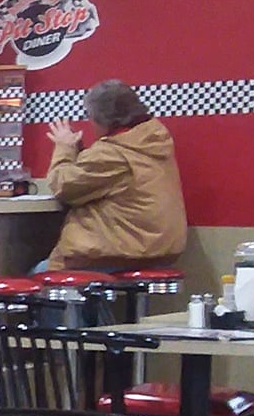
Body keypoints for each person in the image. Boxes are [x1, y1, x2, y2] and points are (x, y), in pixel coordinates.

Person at [35, 79, 187, 273]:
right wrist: (79, 150)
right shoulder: (151, 139)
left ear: (101, 120)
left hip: (118, 252)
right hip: (158, 249)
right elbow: (99, 177)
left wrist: (64, 147)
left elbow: (63, 186)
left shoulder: (112, 153)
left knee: (38, 276)